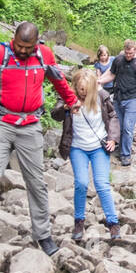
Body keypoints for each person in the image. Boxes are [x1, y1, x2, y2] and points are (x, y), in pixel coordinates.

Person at [0, 22, 77, 254]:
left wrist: (72, 101)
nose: (22, 51)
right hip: (2, 122)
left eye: (27, 47)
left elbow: (59, 80)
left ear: (36, 43)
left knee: (36, 182)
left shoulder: (44, 55)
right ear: (14, 39)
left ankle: (43, 236)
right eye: (19, 46)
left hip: (30, 125)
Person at [52, 68, 121, 242]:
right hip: (77, 147)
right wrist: (67, 107)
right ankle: (79, 221)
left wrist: (112, 139)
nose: (82, 94)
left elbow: (113, 116)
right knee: (81, 183)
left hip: (98, 147)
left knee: (102, 184)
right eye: (79, 89)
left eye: (85, 90)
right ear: (75, 86)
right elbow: (55, 115)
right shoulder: (68, 97)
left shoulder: (102, 96)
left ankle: (113, 223)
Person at [98, 39, 136, 166]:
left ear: (135, 50)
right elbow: (111, 75)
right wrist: (99, 81)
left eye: (131, 53)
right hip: (118, 97)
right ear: (124, 50)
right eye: (126, 53)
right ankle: (119, 147)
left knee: (128, 128)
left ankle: (125, 154)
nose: (128, 55)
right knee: (120, 126)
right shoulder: (118, 60)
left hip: (133, 98)